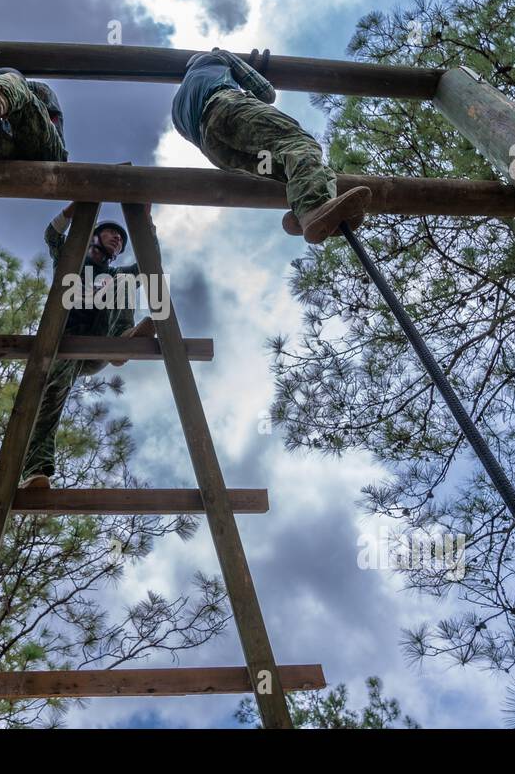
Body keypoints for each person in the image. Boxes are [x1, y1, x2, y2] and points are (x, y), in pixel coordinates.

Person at [19, 202, 155, 490]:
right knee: (52, 395)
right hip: (64, 341)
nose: (117, 238)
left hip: (99, 344)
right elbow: (52, 235)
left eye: (121, 239)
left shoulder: (115, 274)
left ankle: (124, 343)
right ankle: (35, 472)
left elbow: (148, 265)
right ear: (93, 236)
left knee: (124, 281)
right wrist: (76, 207)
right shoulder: (72, 260)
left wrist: (146, 222)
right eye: (111, 233)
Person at [171, 48, 370, 242]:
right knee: (300, 145)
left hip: (217, 151)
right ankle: (312, 207)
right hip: (227, 107)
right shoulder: (217, 57)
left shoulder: (176, 109)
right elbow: (266, 93)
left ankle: (307, 216)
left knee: (286, 167)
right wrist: (240, 64)